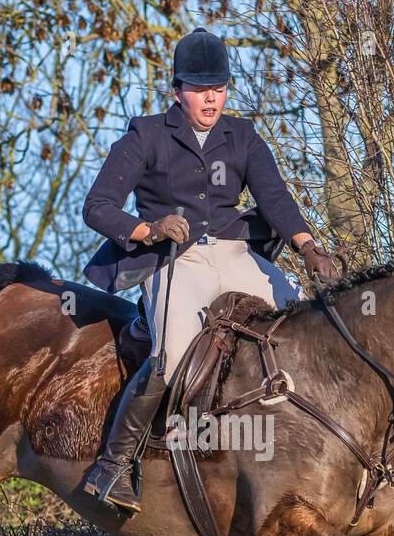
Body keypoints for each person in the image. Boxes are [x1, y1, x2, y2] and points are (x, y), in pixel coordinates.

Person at [80, 27, 338, 511]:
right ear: (177, 90)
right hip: (176, 260)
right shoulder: (147, 135)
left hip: (235, 254)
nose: (211, 99)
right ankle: (112, 467)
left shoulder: (242, 136)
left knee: (303, 328)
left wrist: (308, 247)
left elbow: (275, 198)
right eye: (200, 90)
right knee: (174, 353)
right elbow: (98, 206)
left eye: (218, 89)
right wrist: (149, 230)